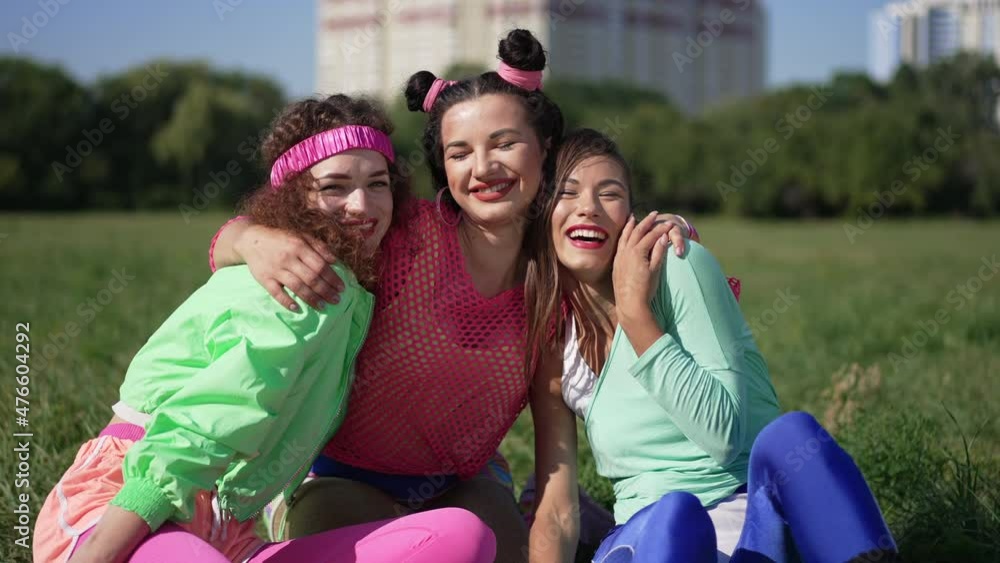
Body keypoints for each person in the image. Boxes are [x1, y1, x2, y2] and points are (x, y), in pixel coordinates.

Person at [206, 30, 695, 563]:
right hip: (341, 477)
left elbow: (559, 467)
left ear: (546, 149)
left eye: (505, 144)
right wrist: (250, 239)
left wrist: (667, 231)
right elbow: (243, 236)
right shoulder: (401, 235)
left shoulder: (559, 279)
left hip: (464, 484)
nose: (482, 168)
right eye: (460, 152)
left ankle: (592, 528)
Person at [34, 94, 496, 563]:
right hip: (128, 503)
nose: (361, 204)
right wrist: (97, 555)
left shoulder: (351, 281)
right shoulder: (301, 286)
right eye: (334, 186)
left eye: (377, 183)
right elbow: (196, 433)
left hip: (230, 531)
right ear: (295, 196)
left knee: (462, 534)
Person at [526, 129, 900, 563]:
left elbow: (723, 433)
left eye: (609, 194)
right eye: (567, 193)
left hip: (753, 536)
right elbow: (556, 511)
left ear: (632, 216)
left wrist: (638, 318)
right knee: (675, 515)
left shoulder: (681, 267)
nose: (588, 207)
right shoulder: (556, 348)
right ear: (543, 214)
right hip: (648, 538)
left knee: (793, 437)